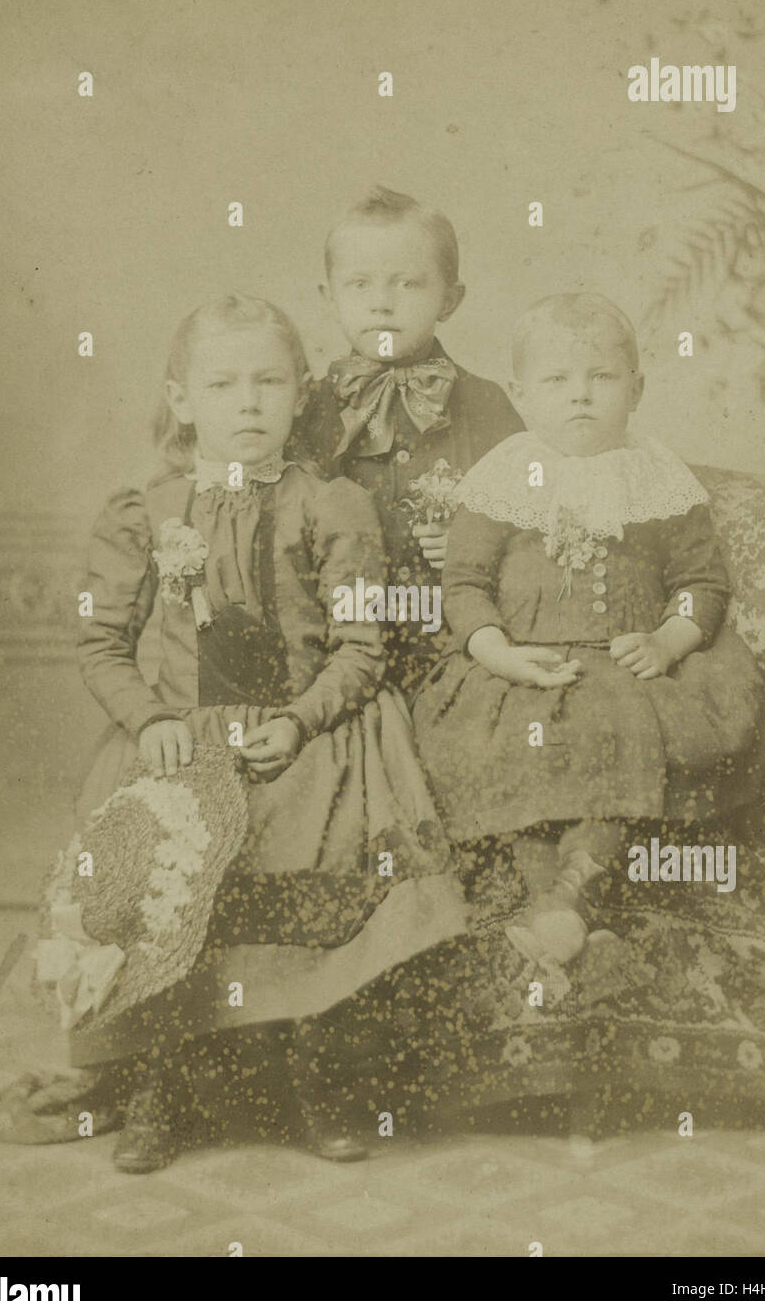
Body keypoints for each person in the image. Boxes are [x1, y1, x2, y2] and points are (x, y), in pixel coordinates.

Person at [60, 293, 465, 1172]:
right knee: (171, 853)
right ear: (181, 401)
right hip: (180, 733)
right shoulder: (144, 509)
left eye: (269, 381)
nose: (248, 403)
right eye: (224, 383)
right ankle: (163, 1082)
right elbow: (99, 641)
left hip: (309, 728)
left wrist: (299, 720)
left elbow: (362, 647)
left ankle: (312, 1079)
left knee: (312, 843)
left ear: (298, 394)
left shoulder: (334, 505)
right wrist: (151, 720)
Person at [412, 293, 765, 994]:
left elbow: (702, 582)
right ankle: (561, 907)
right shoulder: (503, 477)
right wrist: (492, 651)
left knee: (624, 740)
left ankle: (563, 903)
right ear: (520, 394)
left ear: (635, 389)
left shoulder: (658, 478)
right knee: (500, 743)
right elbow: (462, 584)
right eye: (555, 381)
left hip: (625, 665)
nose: (579, 396)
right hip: (521, 666)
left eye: (601, 379)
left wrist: (669, 641)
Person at [288, 185, 524, 696]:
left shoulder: (487, 406)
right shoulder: (305, 412)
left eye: (408, 284)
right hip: (334, 649)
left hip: (458, 646)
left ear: (450, 299)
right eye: (359, 284)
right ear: (329, 297)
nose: (381, 303)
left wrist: (473, 540)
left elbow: (532, 526)